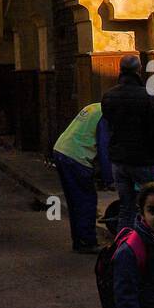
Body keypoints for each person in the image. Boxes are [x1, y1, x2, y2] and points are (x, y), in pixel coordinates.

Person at [101, 55, 154, 232]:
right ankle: (150, 243)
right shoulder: (147, 96)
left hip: (119, 160)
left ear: (120, 70)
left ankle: (123, 244)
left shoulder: (108, 96)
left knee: (126, 206)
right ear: (138, 71)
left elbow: (109, 125)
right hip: (143, 160)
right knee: (152, 205)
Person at [52, 102, 113, 254]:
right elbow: (104, 147)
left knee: (74, 200)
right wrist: (109, 178)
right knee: (87, 200)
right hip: (77, 156)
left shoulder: (94, 107)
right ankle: (87, 241)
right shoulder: (105, 115)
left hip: (62, 150)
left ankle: (79, 240)